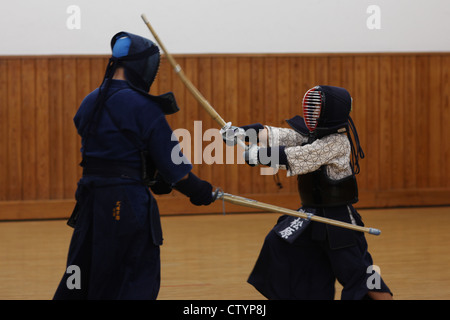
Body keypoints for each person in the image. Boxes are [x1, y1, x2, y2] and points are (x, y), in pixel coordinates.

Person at [53, 31, 214, 300]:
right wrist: (202, 191)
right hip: (126, 205)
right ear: (142, 66)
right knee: (134, 277)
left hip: (90, 202)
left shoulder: (90, 100)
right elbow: (177, 171)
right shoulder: (144, 107)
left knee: (83, 271)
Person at [231, 85, 392, 300]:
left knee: (361, 272)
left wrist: (259, 155)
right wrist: (242, 132)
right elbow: (280, 135)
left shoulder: (337, 143)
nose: (311, 115)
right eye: (310, 109)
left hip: (338, 220)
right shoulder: (311, 135)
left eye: (316, 109)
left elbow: (302, 156)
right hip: (310, 215)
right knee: (278, 244)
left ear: (329, 113)